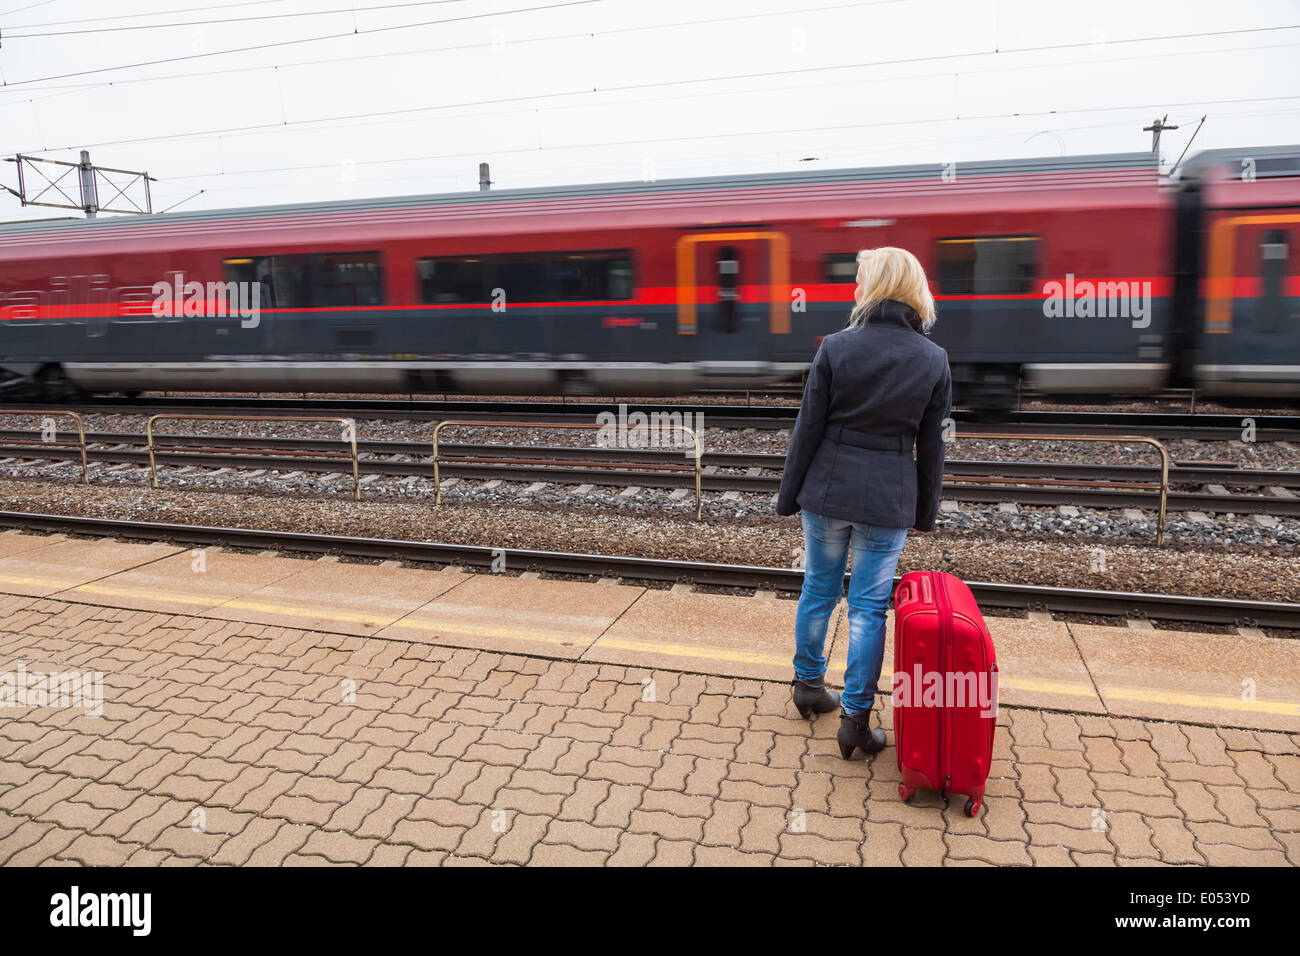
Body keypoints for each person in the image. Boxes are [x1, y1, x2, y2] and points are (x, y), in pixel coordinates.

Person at [775, 246, 952, 760]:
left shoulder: (835, 346)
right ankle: (855, 721)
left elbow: (807, 428)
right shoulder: (933, 358)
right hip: (888, 499)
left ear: (872, 286)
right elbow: (933, 445)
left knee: (819, 588)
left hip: (826, 492)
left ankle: (808, 684)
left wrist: (789, 496)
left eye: (858, 279)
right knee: (869, 610)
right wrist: (925, 511)